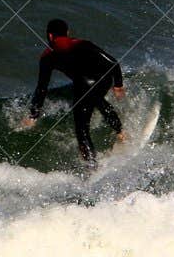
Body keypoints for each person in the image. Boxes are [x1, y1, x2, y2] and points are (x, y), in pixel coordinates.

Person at [22, 18, 125, 165]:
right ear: (68, 33)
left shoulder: (47, 57)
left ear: (50, 36)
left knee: (81, 130)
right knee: (97, 99)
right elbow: (114, 64)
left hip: (84, 84)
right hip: (104, 78)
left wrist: (33, 115)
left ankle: (92, 167)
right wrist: (118, 86)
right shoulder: (82, 44)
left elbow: (41, 88)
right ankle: (121, 133)